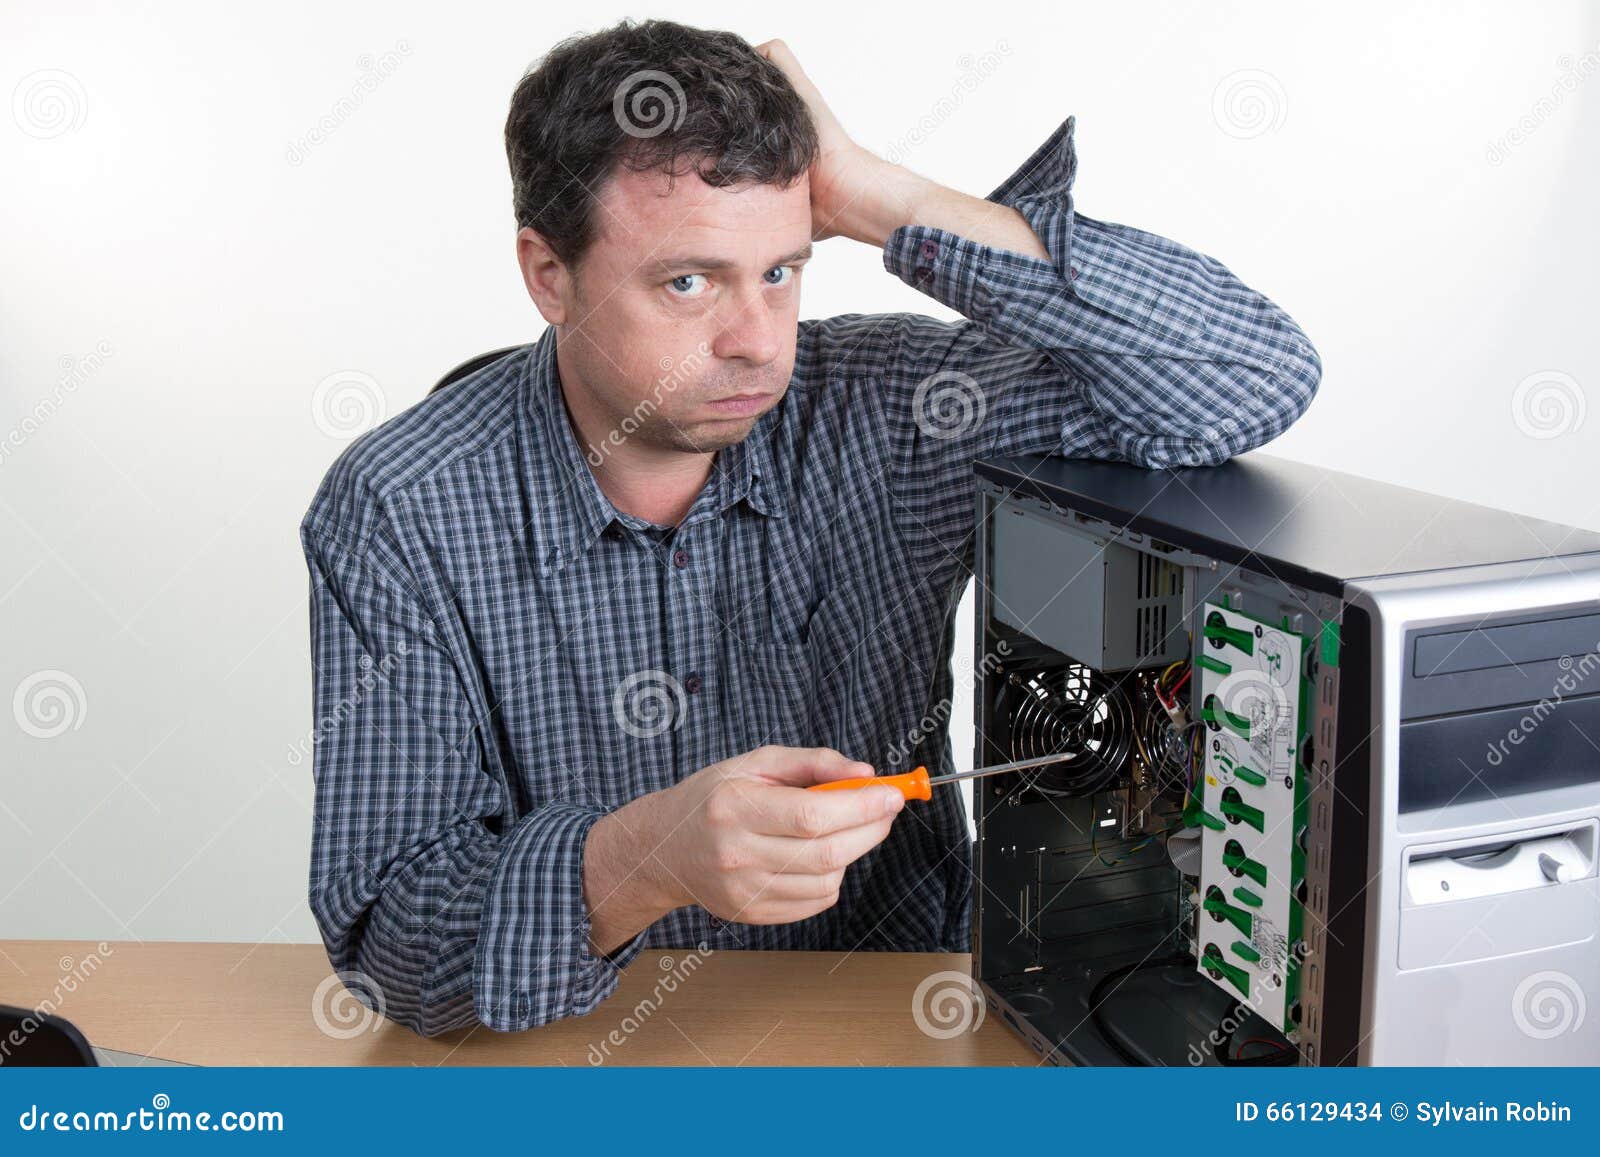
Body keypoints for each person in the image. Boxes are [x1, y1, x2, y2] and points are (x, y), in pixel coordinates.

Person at [299, 18, 1321, 1036]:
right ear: (547, 273)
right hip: (577, 1056)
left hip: (896, 1023)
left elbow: (1245, 379)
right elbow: (395, 946)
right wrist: (648, 854)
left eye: (781, 271)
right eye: (687, 281)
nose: (754, 343)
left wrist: (883, 197)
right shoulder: (401, 506)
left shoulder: (893, 412)